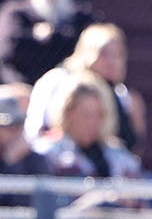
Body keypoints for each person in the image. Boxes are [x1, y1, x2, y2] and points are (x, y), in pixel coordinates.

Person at [29, 70, 145, 181]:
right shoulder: (48, 151)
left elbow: (144, 183)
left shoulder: (116, 153)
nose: (93, 122)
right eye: (86, 115)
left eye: (99, 115)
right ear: (68, 113)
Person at [62, 22, 146, 152]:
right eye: (104, 54)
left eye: (118, 54)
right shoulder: (65, 82)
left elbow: (133, 145)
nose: (112, 61)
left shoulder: (122, 95)